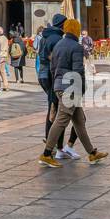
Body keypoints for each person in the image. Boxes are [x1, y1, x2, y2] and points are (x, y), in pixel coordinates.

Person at [37, 19, 108, 168]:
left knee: (79, 120)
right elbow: (78, 71)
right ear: (76, 30)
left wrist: (55, 86)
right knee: (61, 120)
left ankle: (92, 153)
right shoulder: (76, 47)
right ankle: (47, 154)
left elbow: (53, 68)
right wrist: (81, 89)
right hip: (70, 88)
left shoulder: (58, 45)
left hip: (59, 86)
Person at [37, 15, 73, 157]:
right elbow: (55, 59)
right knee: (56, 111)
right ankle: (52, 146)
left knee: (54, 108)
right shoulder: (57, 38)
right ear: (62, 25)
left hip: (43, 74)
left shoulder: (46, 36)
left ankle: (54, 145)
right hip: (52, 75)